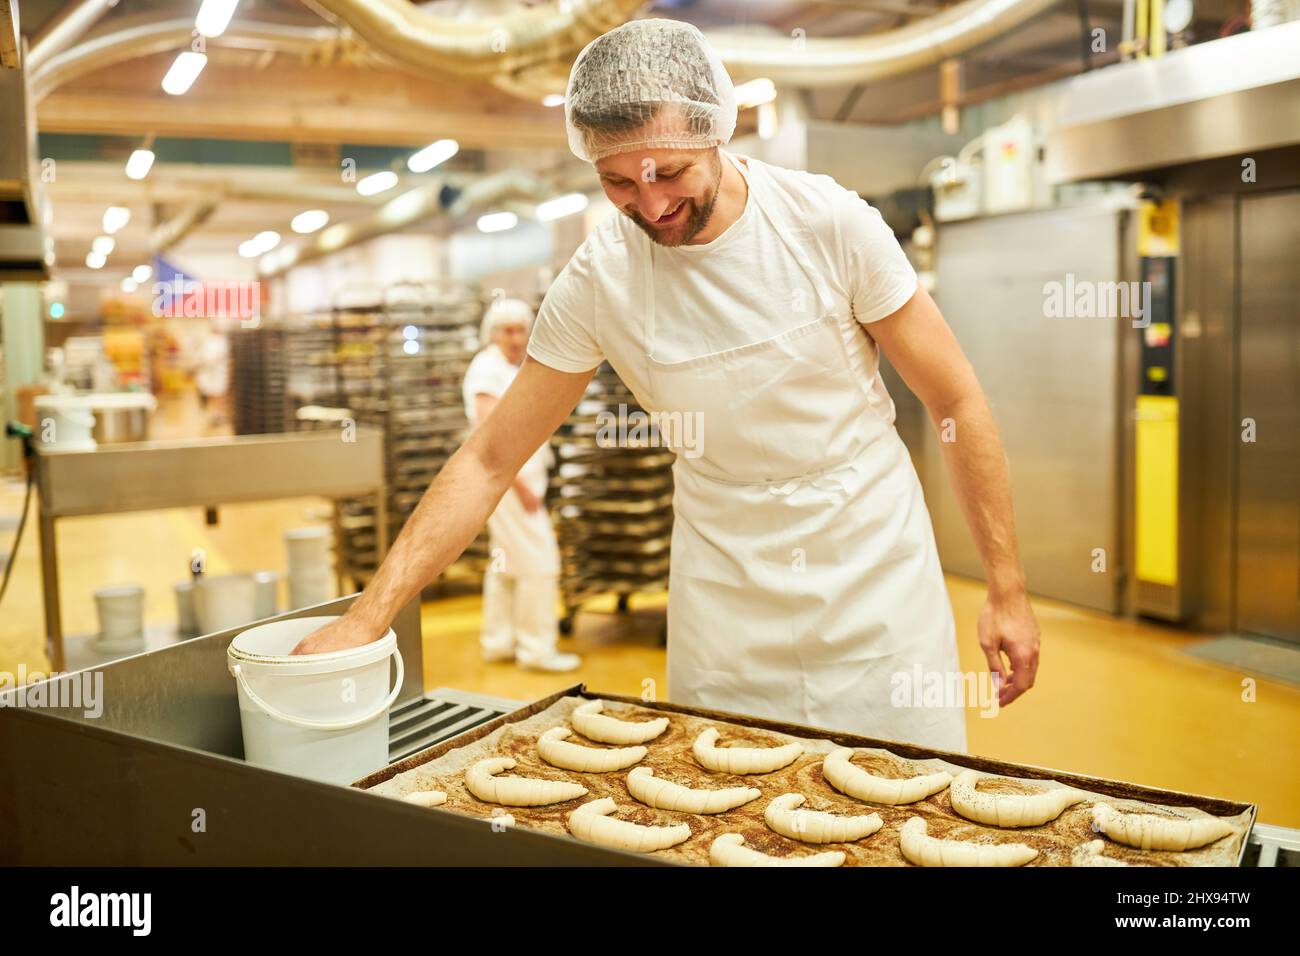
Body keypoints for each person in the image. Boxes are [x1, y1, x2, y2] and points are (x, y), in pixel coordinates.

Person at [294, 19, 1040, 753]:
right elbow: (491, 458)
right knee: (721, 804)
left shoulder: (829, 225)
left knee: (902, 797)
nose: (649, 207)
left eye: (670, 173)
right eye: (618, 182)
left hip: (873, 570)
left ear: (718, 132)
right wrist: (370, 616)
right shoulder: (599, 280)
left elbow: (955, 401)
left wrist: (1005, 587)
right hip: (725, 587)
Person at [462, 297, 578, 672]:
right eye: (508, 330)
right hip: (510, 483)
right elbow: (489, 434)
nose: (516, 337)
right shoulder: (487, 369)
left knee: (506, 563)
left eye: (521, 329)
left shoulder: (510, 367)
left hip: (513, 481)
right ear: (492, 333)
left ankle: (499, 642)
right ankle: (536, 650)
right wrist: (520, 485)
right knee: (539, 563)